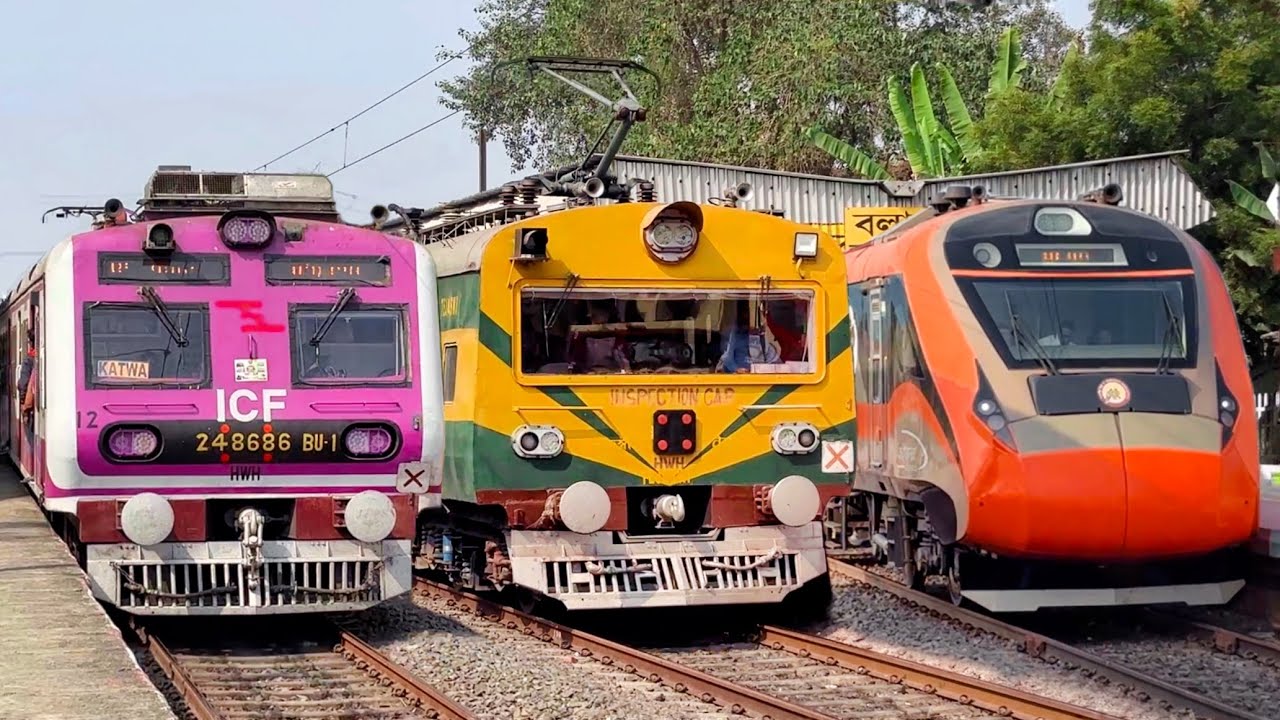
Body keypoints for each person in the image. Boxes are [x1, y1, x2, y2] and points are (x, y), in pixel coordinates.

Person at [717, 301, 781, 373]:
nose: (747, 317)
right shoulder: (734, 336)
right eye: (745, 314)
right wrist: (737, 369)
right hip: (740, 378)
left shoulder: (762, 338)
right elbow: (727, 359)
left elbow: (774, 361)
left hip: (760, 377)